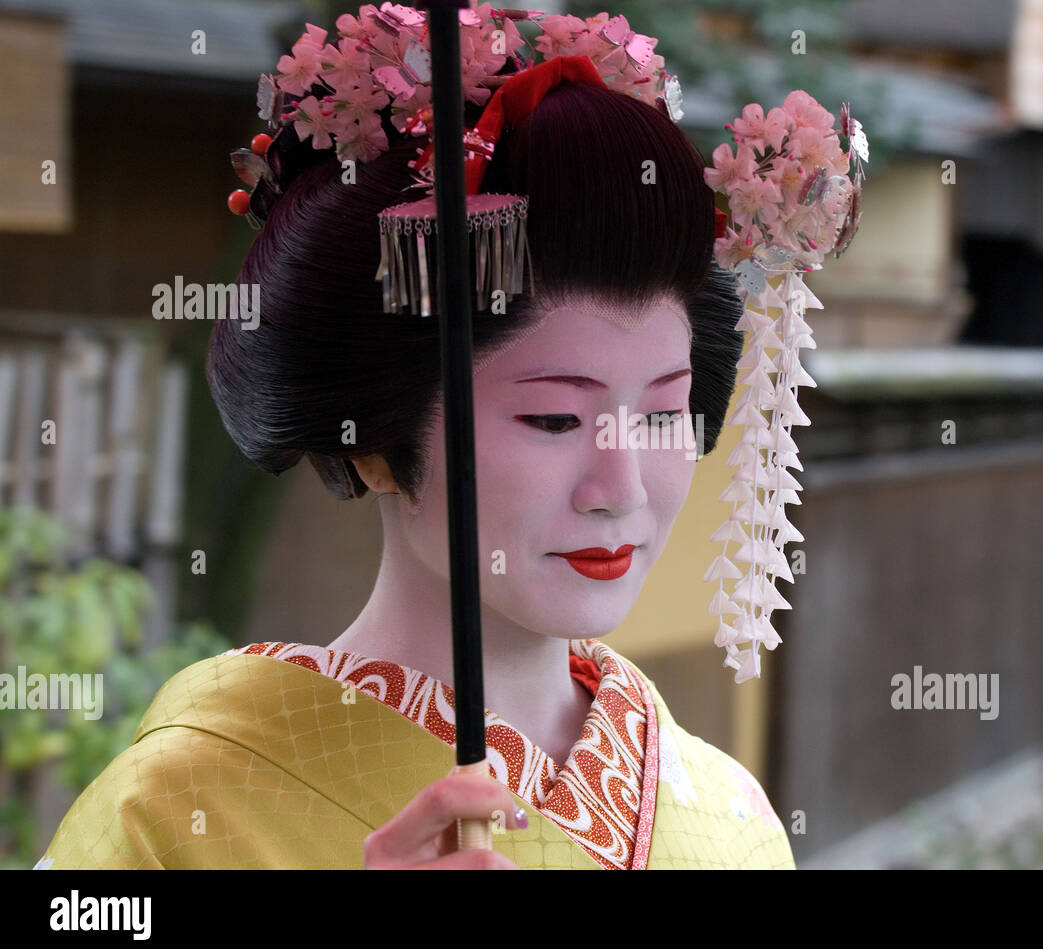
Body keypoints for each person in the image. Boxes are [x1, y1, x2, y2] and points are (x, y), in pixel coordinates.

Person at [37, 5, 800, 870]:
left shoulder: (732, 820)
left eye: (661, 414)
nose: (620, 486)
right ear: (375, 435)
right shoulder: (181, 806)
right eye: (554, 417)